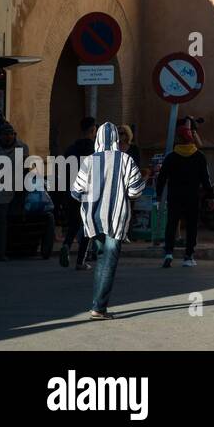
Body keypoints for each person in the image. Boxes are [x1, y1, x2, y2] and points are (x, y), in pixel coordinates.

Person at [69, 122, 144, 320]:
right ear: (116, 140)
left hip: (94, 218)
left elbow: (76, 192)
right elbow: (136, 190)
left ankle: (97, 304)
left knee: (101, 258)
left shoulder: (90, 161)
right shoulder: (126, 160)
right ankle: (99, 308)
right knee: (108, 262)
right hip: (116, 218)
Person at [155, 120, 212, 268]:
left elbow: (162, 178)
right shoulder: (199, 156)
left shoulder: (171, 157)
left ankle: (168, 252)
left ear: (178, 140)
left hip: (174, 196)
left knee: (172, 223)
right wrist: (211, 196)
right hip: (192, 197)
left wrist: (159, 194)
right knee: (192, 225)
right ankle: (188, 256)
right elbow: (206, 179)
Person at [59, 116, 97, 270]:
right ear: (93, 129)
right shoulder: (94, 150)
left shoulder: (70, 149)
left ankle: (67, 245)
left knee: (75, 223)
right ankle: (80, 261)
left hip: (72, 190)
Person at [0, 120, 28, 261]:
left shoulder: (22, 148)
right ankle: (1, 253)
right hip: (1, 190)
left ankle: (15, 249)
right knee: (1, 223)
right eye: (6, 134)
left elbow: (26, 168)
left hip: (17, 189)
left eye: (11, 134)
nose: (9, 137)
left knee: (15, 220)